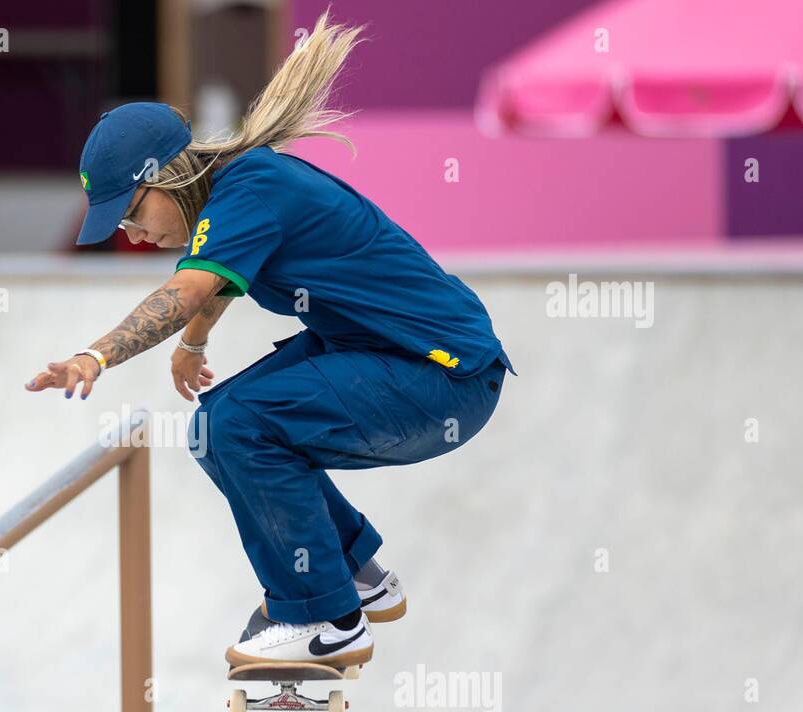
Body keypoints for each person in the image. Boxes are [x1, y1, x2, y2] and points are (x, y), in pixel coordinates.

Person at [26, 13, 515, 669]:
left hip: (443, 376)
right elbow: (222, 281)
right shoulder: (240, 191)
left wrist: (97, 354)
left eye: (134, 213)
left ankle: (325, 618)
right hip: (399, 361)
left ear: (169, 176)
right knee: (214, 427)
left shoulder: (251, 189)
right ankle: (355, 576)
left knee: (243, 426)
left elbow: (192, 288)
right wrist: (195, 347)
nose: (133, 235)